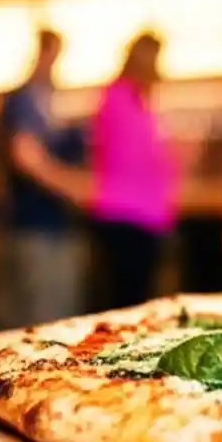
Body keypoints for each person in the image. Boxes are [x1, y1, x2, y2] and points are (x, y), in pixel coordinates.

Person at [0, 30, 86, 328]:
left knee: (54, 313)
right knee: (40, 318)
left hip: (53, 223)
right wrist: (75, 187)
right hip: (34, 224)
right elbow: (26, 157)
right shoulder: (24, 101)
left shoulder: (47, 102)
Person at [88, 33, 180, 308]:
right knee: (128, 302)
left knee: (131, 299)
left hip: (137, 215)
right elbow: (139, 159)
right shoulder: (121, 99)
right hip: (128, 215)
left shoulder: (132, 101)